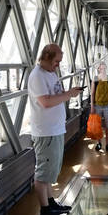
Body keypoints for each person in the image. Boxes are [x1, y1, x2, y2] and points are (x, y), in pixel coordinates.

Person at [25, 42, 72, 196]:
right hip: (46, 132)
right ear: (46, 57)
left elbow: (56, 95)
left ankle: (50, 202)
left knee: (50, 172)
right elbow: (45, 102)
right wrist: (69, 94)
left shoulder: (51, 73)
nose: (57, 65)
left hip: (56, 129)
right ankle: (45, 210)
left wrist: (67, 93)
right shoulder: (37, 75)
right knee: (43, 173)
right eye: (56, 61)